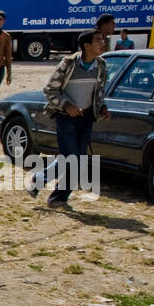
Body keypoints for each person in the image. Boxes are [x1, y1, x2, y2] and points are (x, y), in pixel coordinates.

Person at [25, 29, 110, 208]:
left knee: (78, 161)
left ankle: (59, 198)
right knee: (70, 157)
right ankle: (39, 179)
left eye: (103, 40)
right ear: (87, 45)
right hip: (66, 118)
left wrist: (102, 108)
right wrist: (67, 105)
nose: (103, 43)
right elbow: (50, 90)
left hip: (86, 118)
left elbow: (99, 93)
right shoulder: (68, 64)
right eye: (98, 40)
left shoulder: (101, 65)